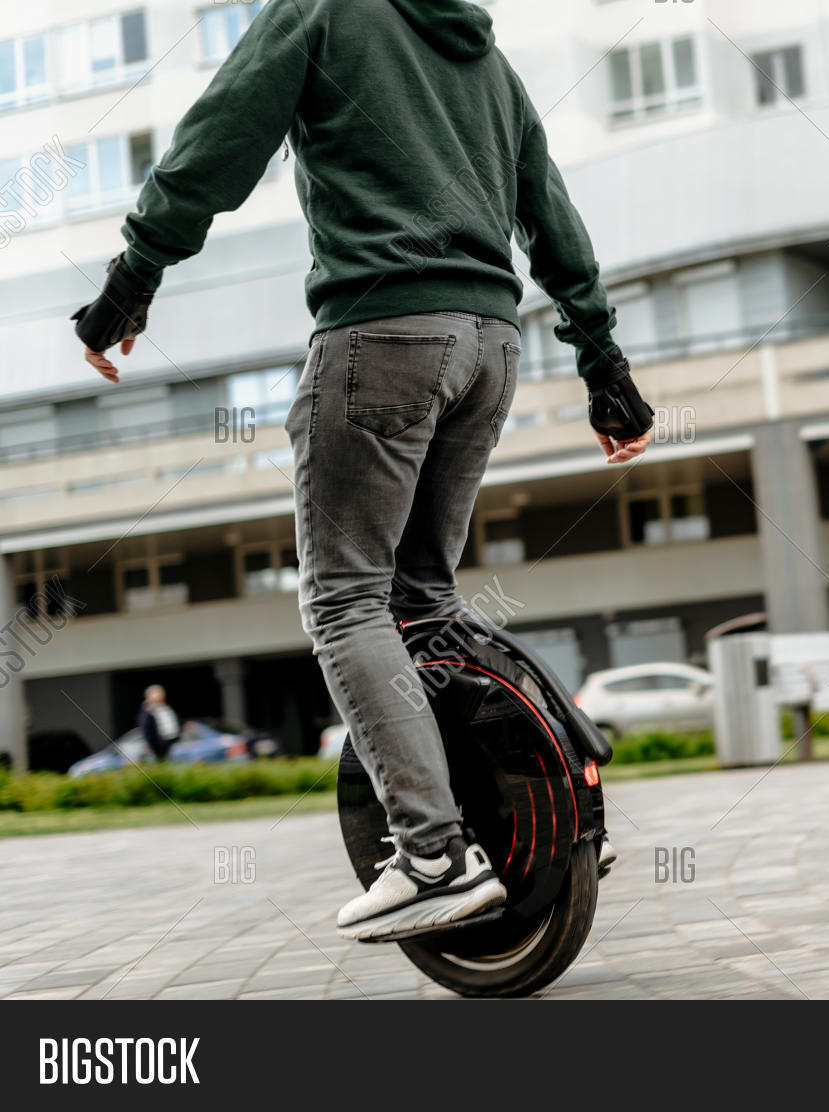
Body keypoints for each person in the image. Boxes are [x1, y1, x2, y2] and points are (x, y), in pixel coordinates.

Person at [69, 0, 655, 939]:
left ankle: (434, 855)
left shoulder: (324, 10)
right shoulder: (485, 59)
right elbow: (552, 214)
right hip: (491, 344)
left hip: (382, 333)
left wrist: (131, 280)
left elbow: (217, 142)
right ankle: (562, 810)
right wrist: (605, 366)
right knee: (424, 597)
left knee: (345, 598)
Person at [137, 685, 180, 763]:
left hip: (172, 741)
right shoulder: (148, 711)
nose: (159, 696)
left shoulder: (165, 707)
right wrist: (156, 746)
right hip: (159, 745)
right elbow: (147, 731)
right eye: (156, 694)